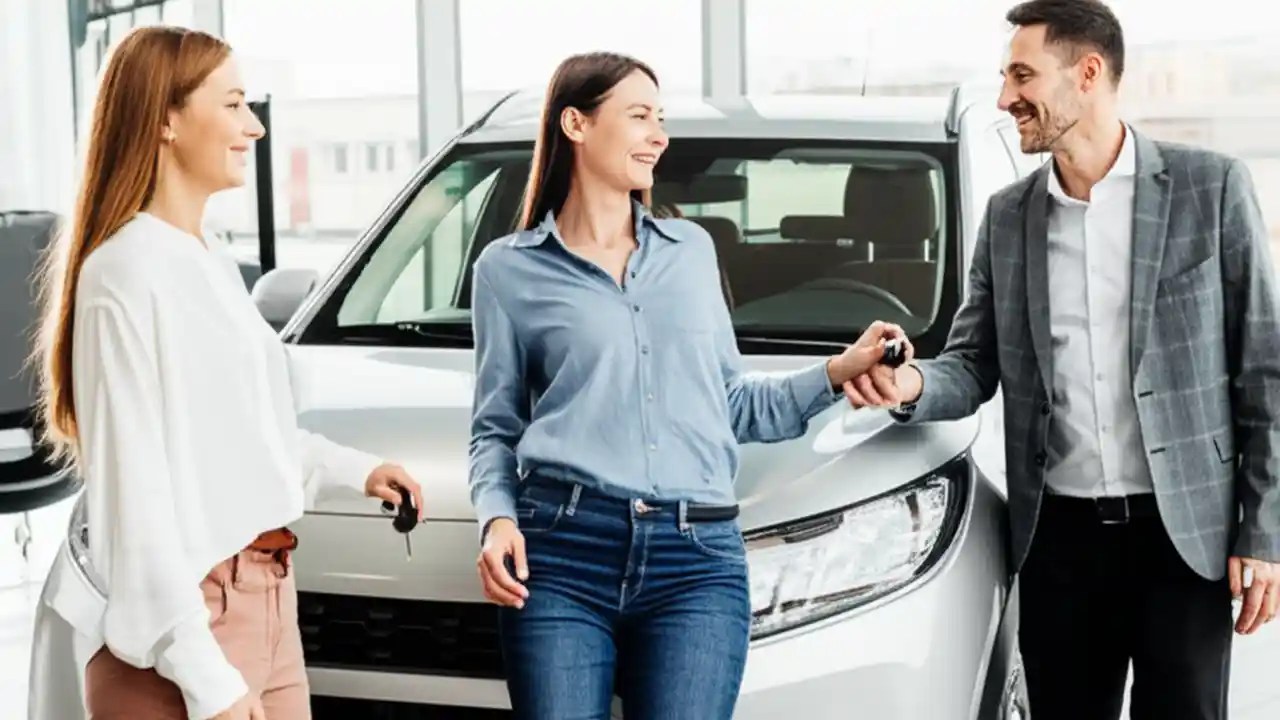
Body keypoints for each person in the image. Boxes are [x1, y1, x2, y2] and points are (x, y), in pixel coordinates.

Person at [845, 1, 1280, 718]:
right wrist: (909, 380)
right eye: (1005, 75)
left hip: (1186, 541)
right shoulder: (1010, 217)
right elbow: (971, 362)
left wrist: (1263, 532)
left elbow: (1263, 370)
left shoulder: (1211, 189)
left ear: (1088, 73)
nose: (1006, 96)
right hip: (1060, 545)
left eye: (1023, 74)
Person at [466, 51, 905, 720]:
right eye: (639, 116)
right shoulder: (508, 271)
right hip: (562, 555)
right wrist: (496, 518)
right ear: (577, 125)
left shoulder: (691, 252)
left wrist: (836, 373)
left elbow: (733, 405)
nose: (658, 136)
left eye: (660, 119)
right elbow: (495, 428)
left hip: (696, 561)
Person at [30, 26, 425, 720]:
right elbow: (135, 505)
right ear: (166, 120)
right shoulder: (124, 272)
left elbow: (237, 435)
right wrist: (205, 675)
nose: (256, 126)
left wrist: (357, 470)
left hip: (266, 599)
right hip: (185, 625)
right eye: (235, 104)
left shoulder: (208, 258)